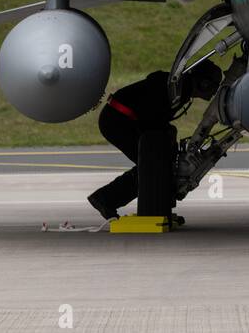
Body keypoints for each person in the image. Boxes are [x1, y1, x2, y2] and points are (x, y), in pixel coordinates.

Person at [87, 61, 222, 222]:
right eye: (214, 85)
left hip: (120, 119)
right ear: (204, 83)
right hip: (118, 121)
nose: (214, 91)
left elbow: (154, 117)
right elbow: (152, 119)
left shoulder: (180, 86)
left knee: (157, 166)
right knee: (153, 168)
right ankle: (105, 198)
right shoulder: (179, 89)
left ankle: (156, 206)